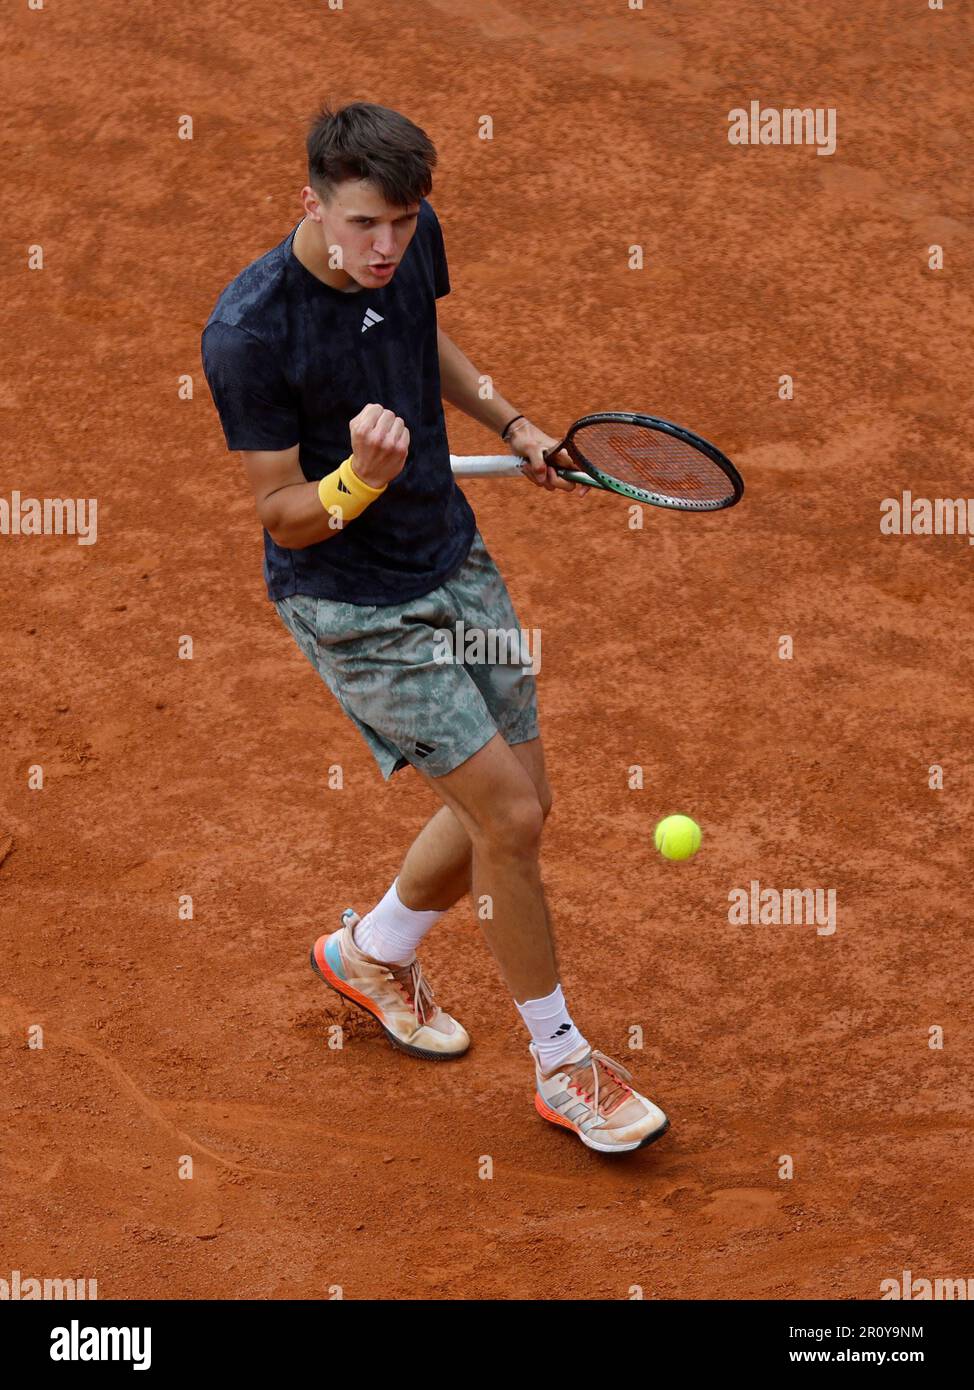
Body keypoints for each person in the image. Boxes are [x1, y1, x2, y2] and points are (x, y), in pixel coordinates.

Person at [201, 101, 668, 1154]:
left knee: (525, 805)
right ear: (311, 206)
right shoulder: (249, 332)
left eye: (403, 226)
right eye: (363, 225)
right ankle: (562, 1065)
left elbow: (424, 335)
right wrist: (359, 480)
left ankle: (372, 949)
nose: (385, 248)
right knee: (505, 817)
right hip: (352, 604)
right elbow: (283, 516)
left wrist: (513, 422)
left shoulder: (408, 242)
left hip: (452, 556)